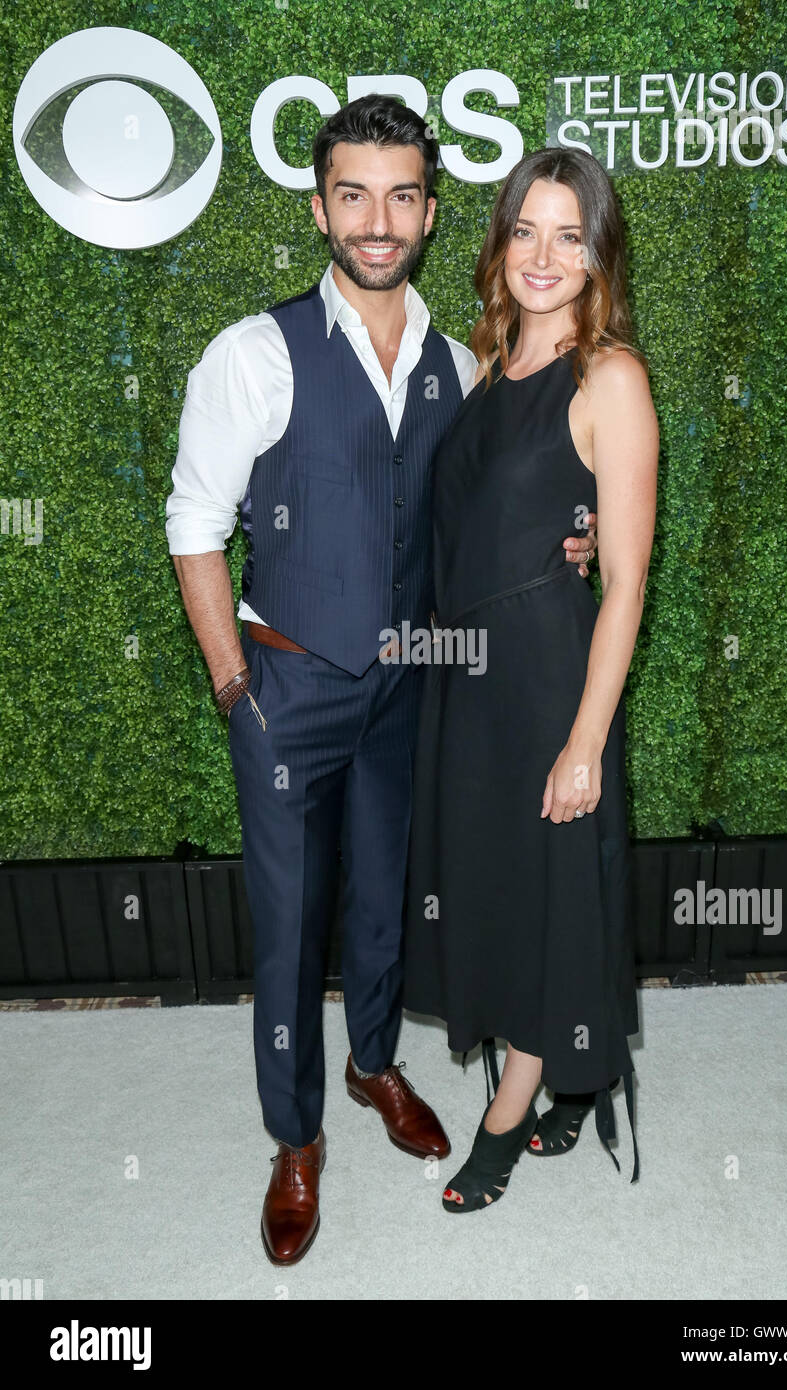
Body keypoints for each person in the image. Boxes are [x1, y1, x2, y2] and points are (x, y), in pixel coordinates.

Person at [165, 98, 597, 1264]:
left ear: (427, 208)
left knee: (381, 908)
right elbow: (194, 528)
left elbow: (508, 498)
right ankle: (294, 1139)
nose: (376, 219)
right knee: (288, 928)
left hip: (412, 685)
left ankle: (370, 1068)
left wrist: (578, 536)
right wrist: (232, 688)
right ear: (319, 208)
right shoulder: (252, 352)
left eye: (400, 194)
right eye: (351, 193)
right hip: (288, 685)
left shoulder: (461, 362)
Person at [403, 146, 658, 1211]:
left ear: (597, 253)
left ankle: (509, 1110)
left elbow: (627, 580)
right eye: (523, 230)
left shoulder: (611, 378)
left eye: (567, 234)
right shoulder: (487, 358)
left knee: (544, 894)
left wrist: (585, 741)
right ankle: (565, 1072)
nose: (541, 255)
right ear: (499, 243)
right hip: (470, 684)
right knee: (497, 891)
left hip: (552, 679)